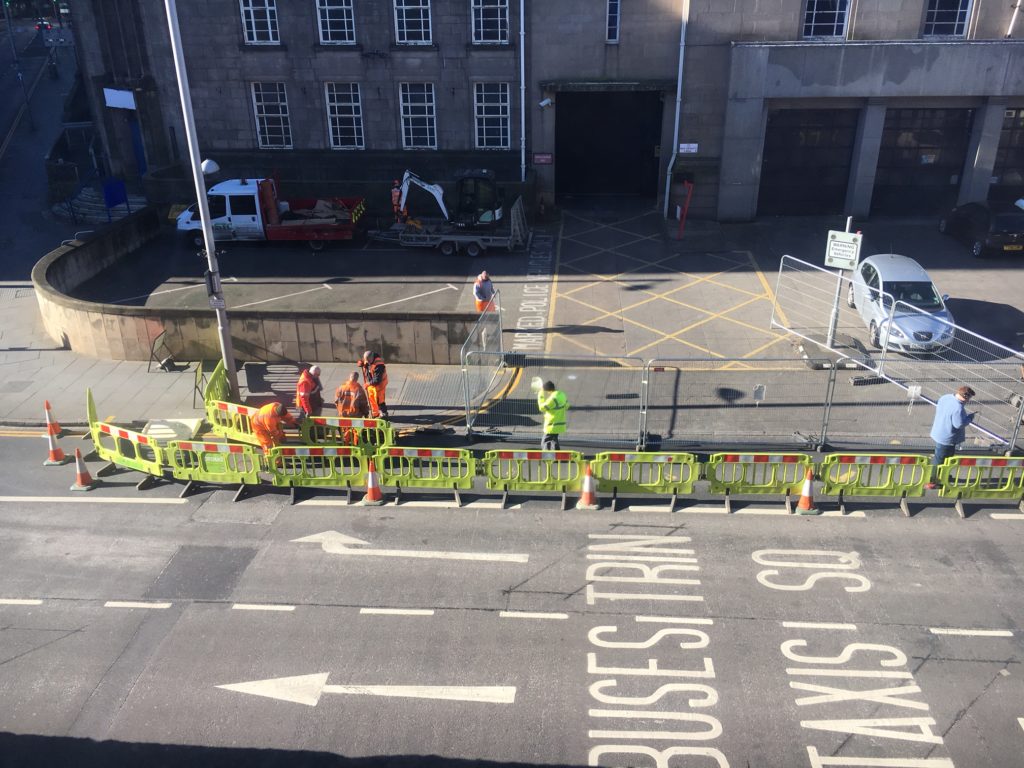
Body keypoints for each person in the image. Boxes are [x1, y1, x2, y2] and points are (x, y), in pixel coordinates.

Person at [927, 385, 976, 488]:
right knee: (941, 459)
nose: (968, 401)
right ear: (966, 397)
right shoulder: (958, 408)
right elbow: (959, 424)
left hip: (938, 431)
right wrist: (969, 418)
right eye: (969, 398)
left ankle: (943, 476)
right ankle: (933, 481)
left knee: (942, 458)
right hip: (947, 437)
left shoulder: (946, 397)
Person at [536, 380, 569, 451]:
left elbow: (542, 408)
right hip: (559, 424)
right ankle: (557, 456)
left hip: (551, 425)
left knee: (545, 441)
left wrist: (540, 396)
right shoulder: (562, 395)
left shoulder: (553, 399)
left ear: (547, 390)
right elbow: (567, 406)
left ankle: (548, 457)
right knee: (554, 441)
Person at [358, 350, 390, 419]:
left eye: (369, 361)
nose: (368, 362)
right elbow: (364, 361)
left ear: (372, 358)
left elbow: (377, 379)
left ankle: (384, 414)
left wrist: (368, 384)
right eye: (366, 361)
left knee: (380, 400)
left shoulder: (379, 365)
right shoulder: (368, 358)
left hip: (379, 385)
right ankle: (375, 414)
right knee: (372, 400)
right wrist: (361, 363)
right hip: (371, 384)